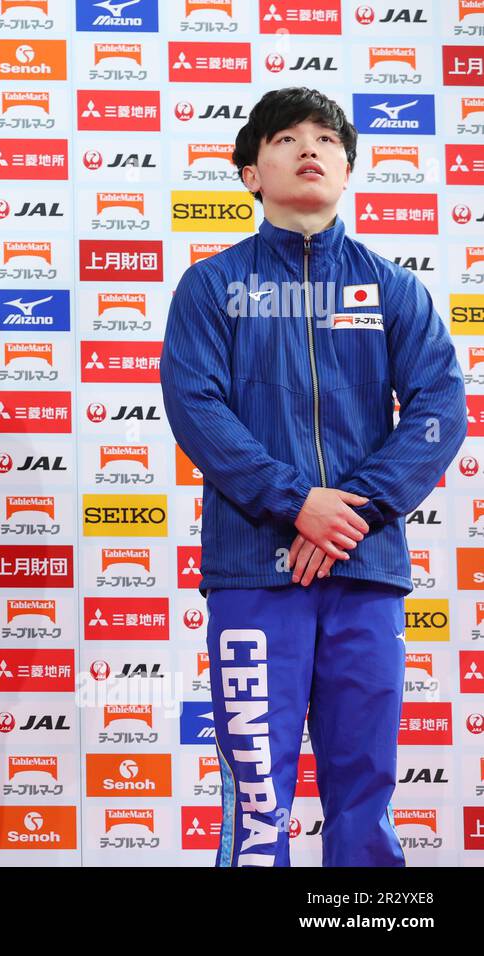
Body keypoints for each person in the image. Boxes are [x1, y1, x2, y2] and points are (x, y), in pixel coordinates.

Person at [160, 87, 466, 866]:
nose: (310, 149)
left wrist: (348, 514)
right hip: (254, 570)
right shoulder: (210, 286)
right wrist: (296, 504)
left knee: (364, 787)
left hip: (365, 568)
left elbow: (439, 407)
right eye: (287, 137)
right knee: (260, 795)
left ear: (349, 166)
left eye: (328, 139)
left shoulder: (393, 288)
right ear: (249, 173)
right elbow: (197, 408)